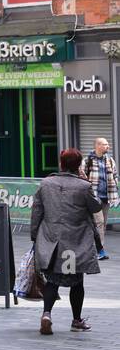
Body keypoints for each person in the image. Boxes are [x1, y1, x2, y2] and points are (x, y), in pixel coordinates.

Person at [31, 148, 103, 335]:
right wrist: (86, 181)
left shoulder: (46, 183)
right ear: (79, 165)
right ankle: (76, 320)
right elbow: (95, 207)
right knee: (77, 282)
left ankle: (47, 314)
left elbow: (37, 211)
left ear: (61, 163)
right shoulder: (83, 186)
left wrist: (34, 236)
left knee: (52, 281)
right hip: (75, 242)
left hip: (50, 240)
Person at [83, 138, 117, 260]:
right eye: (105, 144)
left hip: (106, 197)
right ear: (97, 146)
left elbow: (115, 175)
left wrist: (115, 187)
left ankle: (96, 249)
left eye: (108, 144)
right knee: (99, 223)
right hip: (94, 198)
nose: (108, 146)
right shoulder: (88, 160)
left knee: (102, 224)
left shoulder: (110, 160)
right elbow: (82, 177)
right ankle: (100, 250)